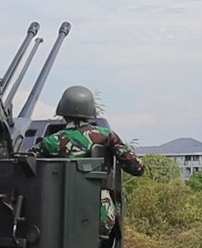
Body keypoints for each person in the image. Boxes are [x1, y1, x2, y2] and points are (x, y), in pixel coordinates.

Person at [35, 85, 146, 236]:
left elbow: (28, 164)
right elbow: (137, 168)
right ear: (90, 111)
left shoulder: (51, 141)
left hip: (59, 215)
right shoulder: (106, 136)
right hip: (99, 217)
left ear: (62, 111)